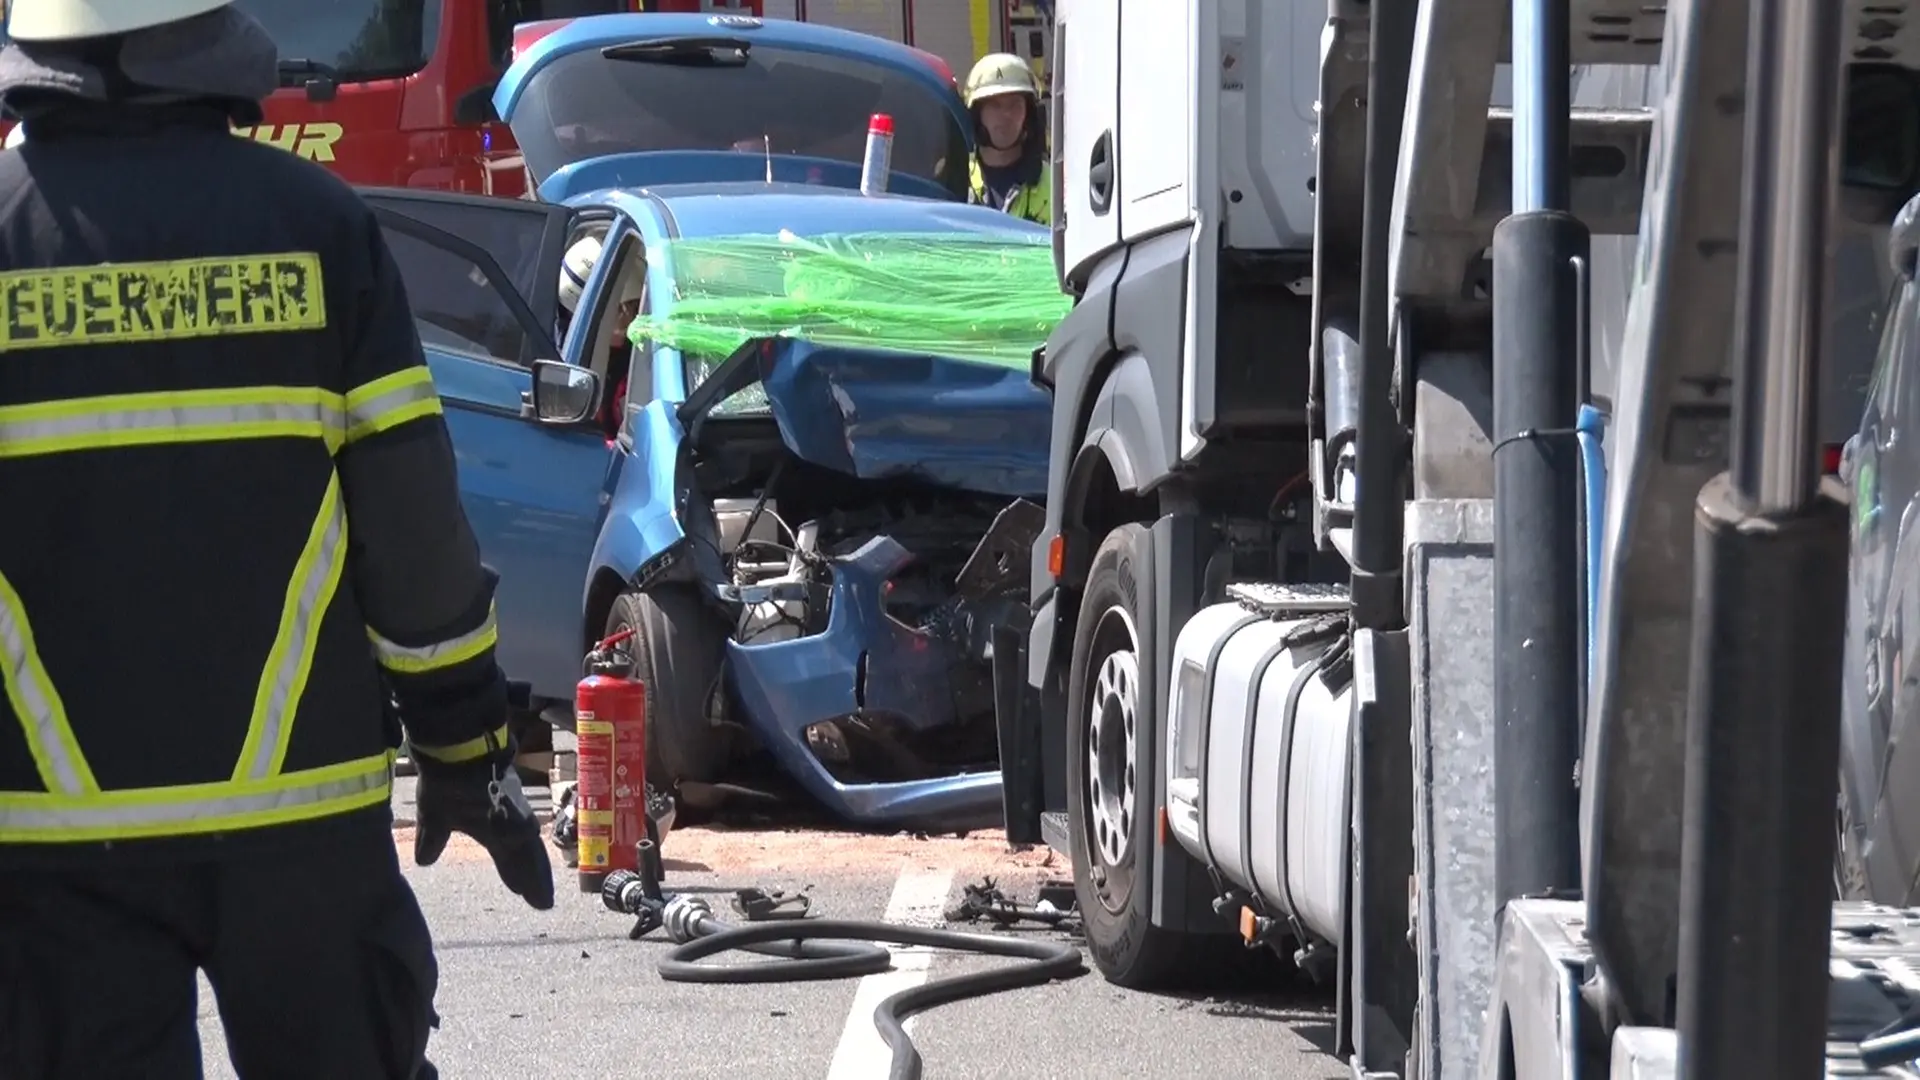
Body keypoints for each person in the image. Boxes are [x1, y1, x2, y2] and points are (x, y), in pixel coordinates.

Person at [0, 2, 555, 1078]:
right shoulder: (318, 225)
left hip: (52, 839)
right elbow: (412, 532)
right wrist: (464, 750)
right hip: (300, 823)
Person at [556, 234, 644, 437]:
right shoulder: (568, 355)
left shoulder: (635, 360)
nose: (635, 316)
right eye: (629, 308)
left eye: (635, 306)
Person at [963, 53, 1052, 226]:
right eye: (994, 105)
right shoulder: (956, 179)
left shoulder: (1055, 186)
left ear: (1029, 115)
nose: (1006, 115)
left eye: (1015, 104)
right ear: (976, 114)